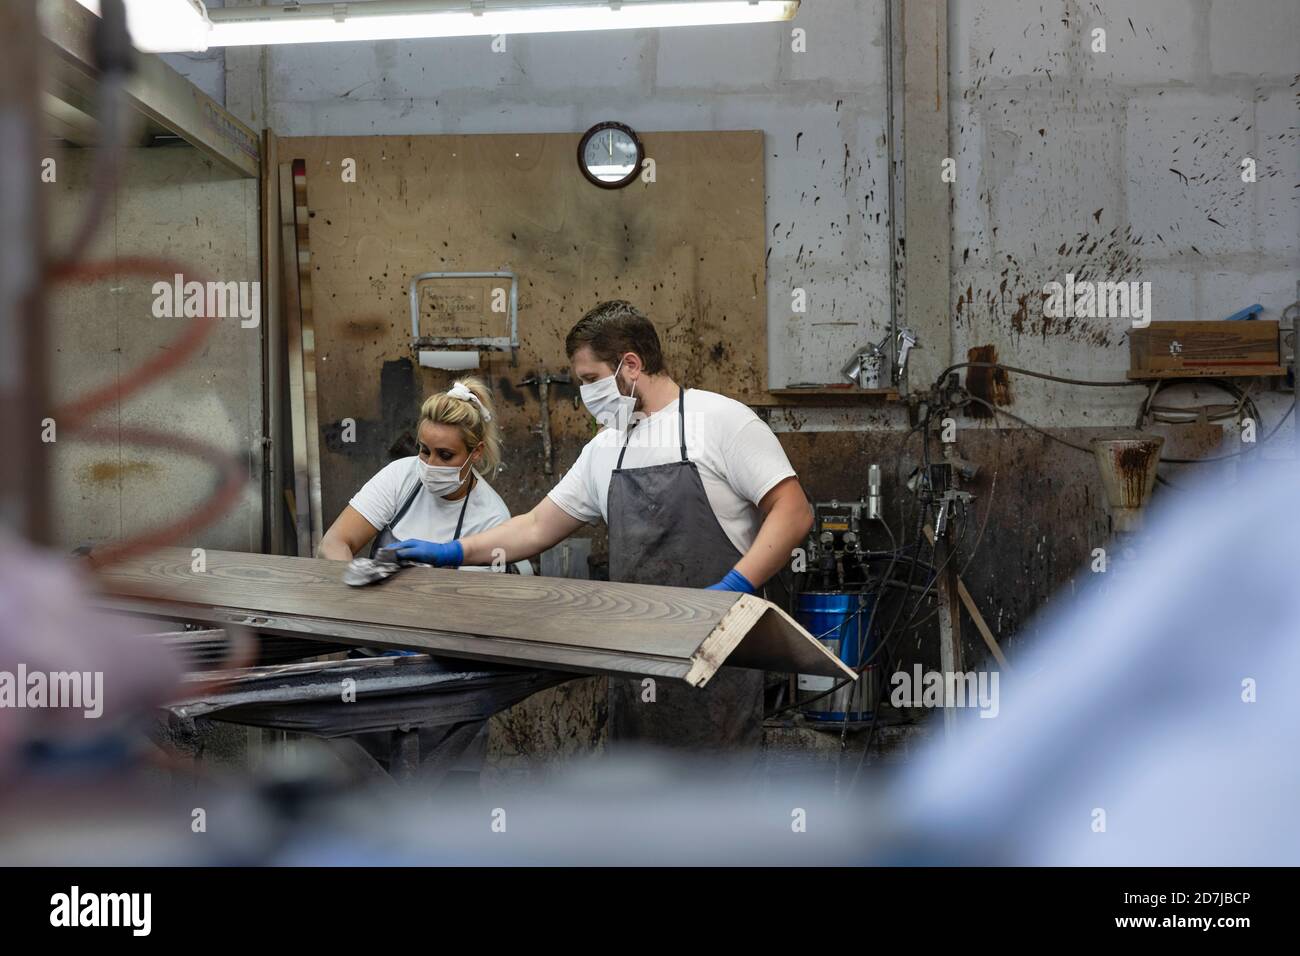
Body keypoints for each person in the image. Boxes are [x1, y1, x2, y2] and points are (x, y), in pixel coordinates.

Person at [390, 300, 813, 751]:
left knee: (718, 805)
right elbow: (535, 526)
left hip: (716, 657)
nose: (585, 393)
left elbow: (793, 511)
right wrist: (453, 552)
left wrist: (731, 588)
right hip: (635, 662)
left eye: (590, 379)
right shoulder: (605, 447)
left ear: (630, 365)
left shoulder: (722, 422)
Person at [319, 377, 532, 576]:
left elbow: (481, 604)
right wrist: (354, 586)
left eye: (445, 455)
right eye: (425, 450)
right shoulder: (399, 476)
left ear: (475, 452)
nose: (430, 465)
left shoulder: (492, 518)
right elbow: (334, 543)